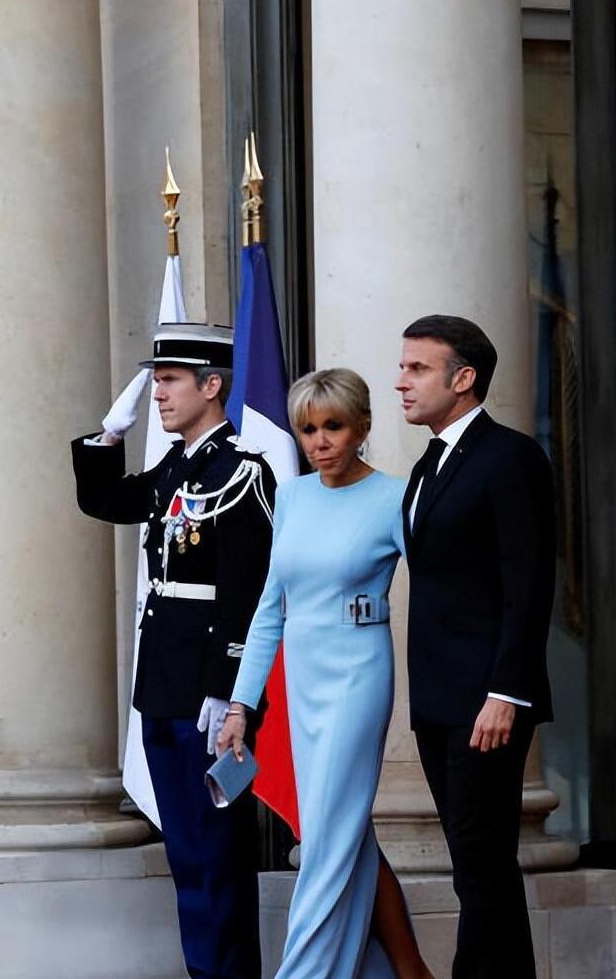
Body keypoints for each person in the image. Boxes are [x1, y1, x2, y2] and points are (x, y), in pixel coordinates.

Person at [71, 323, 275, 979]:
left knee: (215, 853)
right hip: (163, 684)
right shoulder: (178, 466)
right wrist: (107, 437)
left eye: (169, 379)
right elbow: (107, 499)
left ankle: (228, 972)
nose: (157, 392)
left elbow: (247, 593)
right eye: (155, 379)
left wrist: (229, 689)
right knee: (187, 851)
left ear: (211, 386)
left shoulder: (242, 473)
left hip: (207, 693)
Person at [219, 368, 433, 979]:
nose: (320, 441)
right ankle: (396, 969)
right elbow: (268, 609)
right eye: (308, 429)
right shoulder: (291, 497)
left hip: (357, 677)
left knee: (324, 845)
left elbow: (444, 590)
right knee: (340, 833)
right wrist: (241, 707)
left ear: (362, 426)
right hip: (302, 681)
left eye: (333, 426)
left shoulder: (396, 496)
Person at [396, 315, 555, 979]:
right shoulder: (431, 459)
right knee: (477, 864)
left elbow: (530, 582)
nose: (401, 380)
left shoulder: (509, 456)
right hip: (438, 697)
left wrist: (506, 691)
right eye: (402, 365)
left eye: (417, 369)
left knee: (482, 863)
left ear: (464, 379)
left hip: (486, 699)